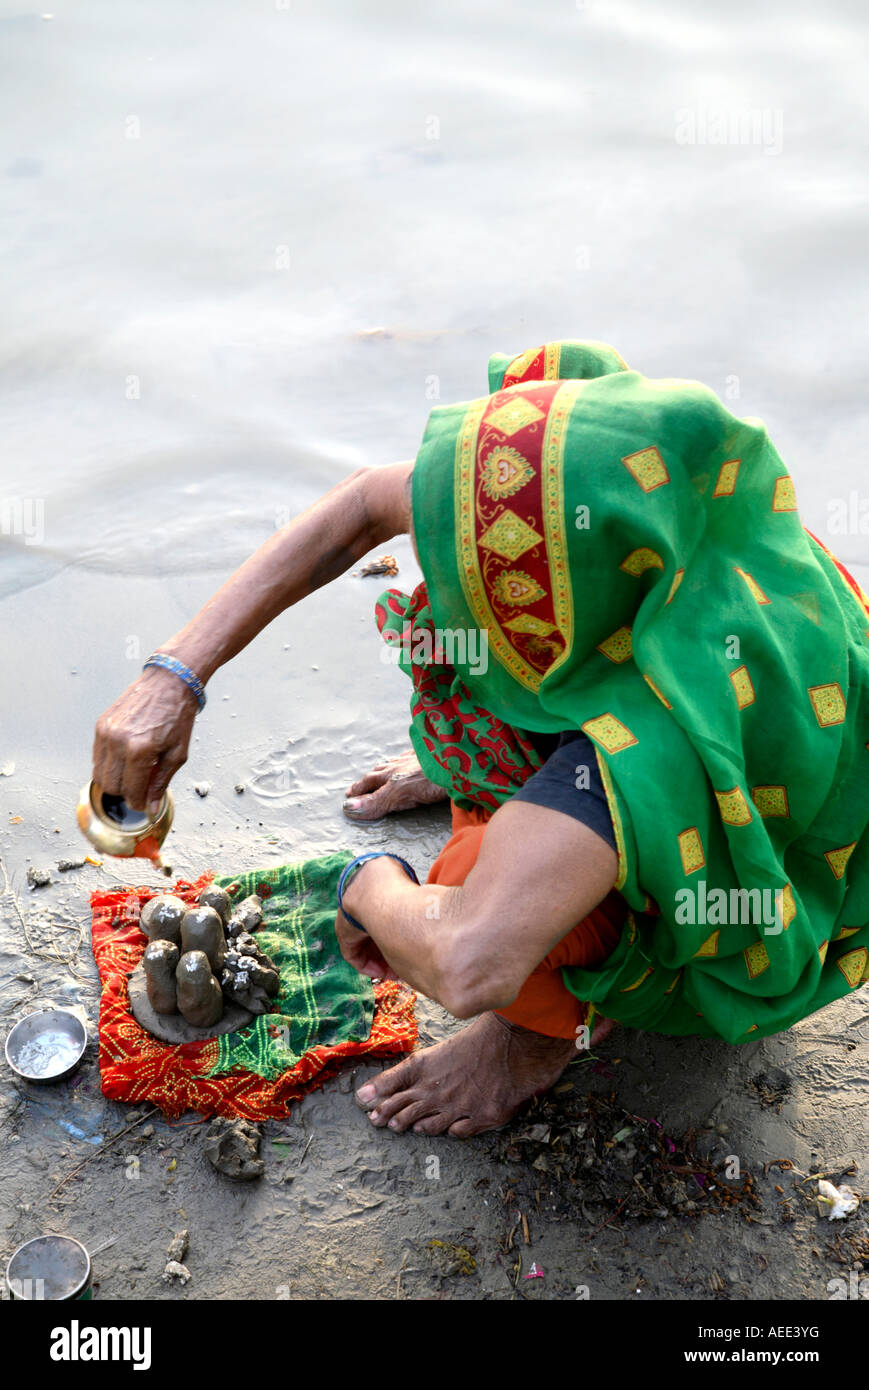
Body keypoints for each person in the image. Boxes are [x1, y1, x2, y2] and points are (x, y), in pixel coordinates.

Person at [92, 340, 869, 1137]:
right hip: (685, 717)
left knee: (467, 877)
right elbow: (363, 504)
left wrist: (363, 883)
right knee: (469, 626)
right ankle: (528, 776)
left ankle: (541, 1038)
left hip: (744, 894)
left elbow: (468, 961)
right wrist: (174, 677)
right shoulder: (666, 523)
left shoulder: (650, 744)